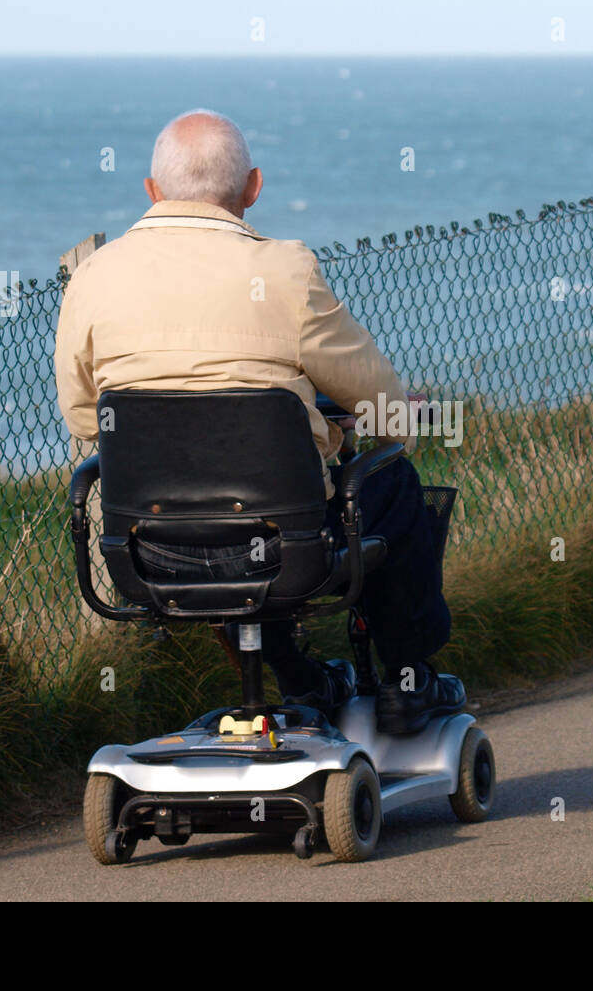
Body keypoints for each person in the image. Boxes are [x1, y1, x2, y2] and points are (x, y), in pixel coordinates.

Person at [54, 109, 464, 733]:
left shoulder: (91, 277)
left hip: (150, 548)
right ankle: (406, 682)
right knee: (392, 485)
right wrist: (341, 428)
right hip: (282, 543)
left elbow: (87, 420)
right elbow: (384, 410)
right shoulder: (287, 272)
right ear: (252, 187)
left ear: (152, 191)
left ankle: (299, 680)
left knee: (228, 516)